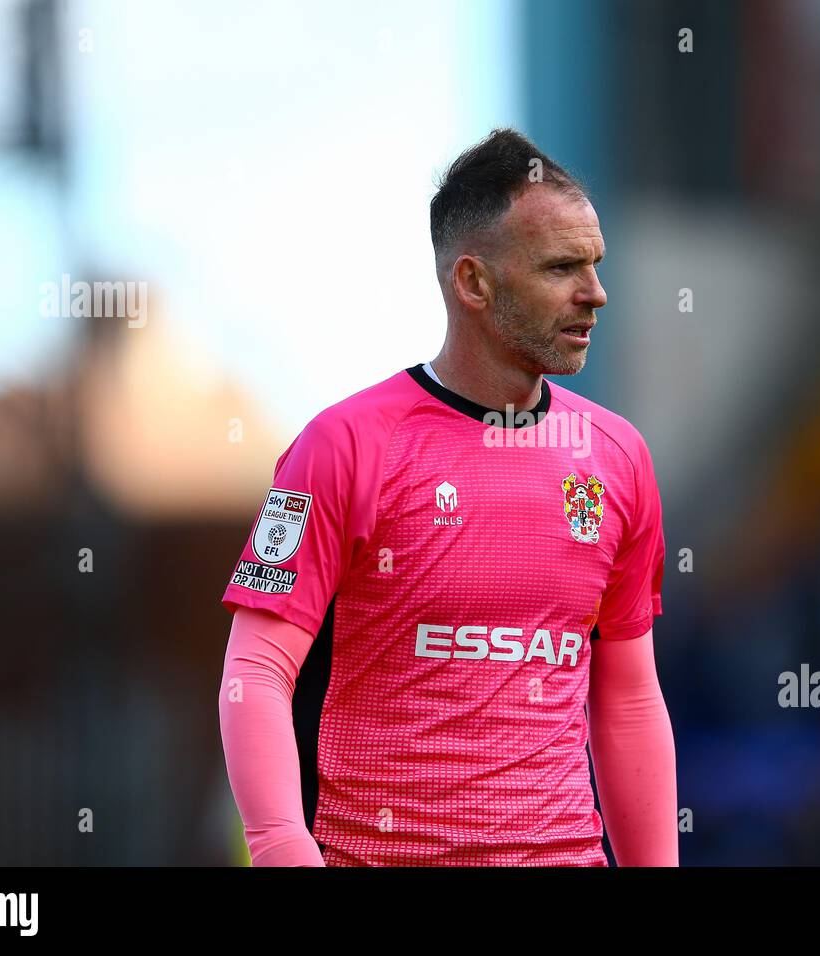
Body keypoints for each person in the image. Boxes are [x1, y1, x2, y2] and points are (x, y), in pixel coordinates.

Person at [218, 128, 677, 866]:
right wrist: (280, 847)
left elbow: (626, 699)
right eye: (562, 267)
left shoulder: (617, 457)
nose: (595, 292)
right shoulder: (342, 447)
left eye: (594, 264)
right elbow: (255, 673)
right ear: (473, 283)